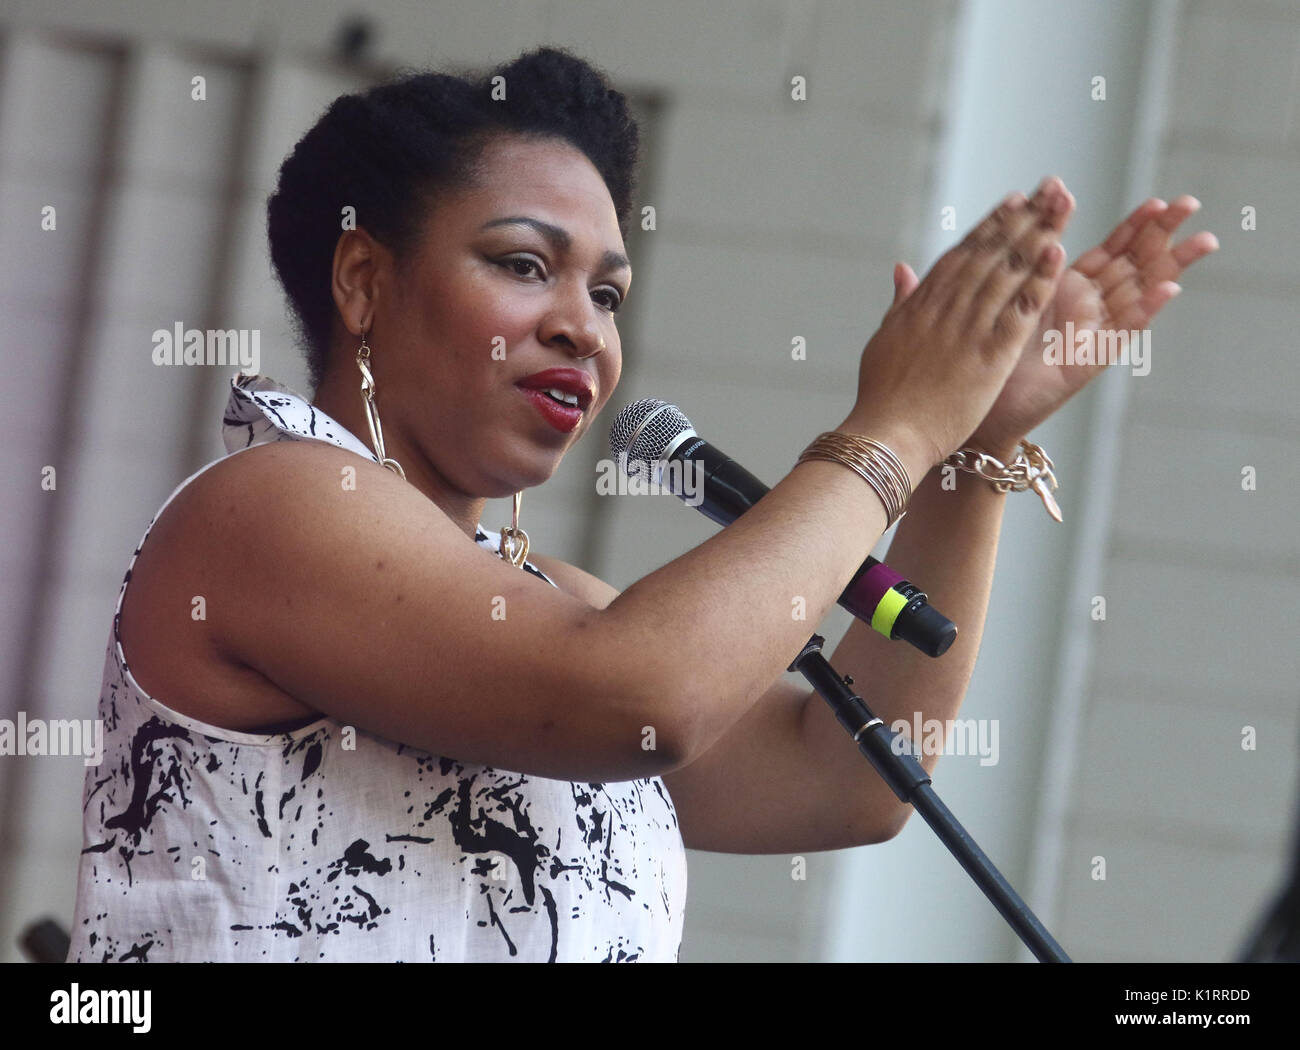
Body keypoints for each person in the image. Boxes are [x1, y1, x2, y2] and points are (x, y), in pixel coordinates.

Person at [65, 46, 1217, 963]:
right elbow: (643, 698)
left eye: (607, 291)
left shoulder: (554, 604)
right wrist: (893, 429)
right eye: (525, 264)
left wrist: (969, 449)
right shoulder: (268, 510)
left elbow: (846, 775)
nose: (584, 325)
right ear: (365, 281)